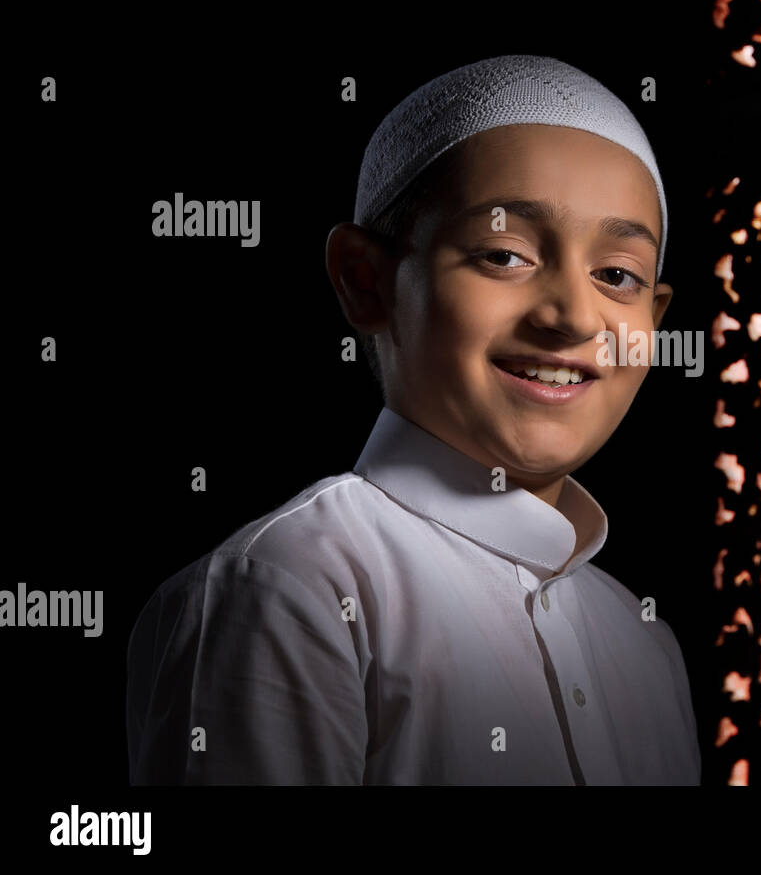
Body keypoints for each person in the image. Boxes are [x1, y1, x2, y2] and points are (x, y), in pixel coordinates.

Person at [125, 54, 701, 785]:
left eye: (617, 275)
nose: (575, 316)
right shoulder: (287, 588)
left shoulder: (646, 643)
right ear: (365, 282)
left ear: (653, 321)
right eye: (504, 254)